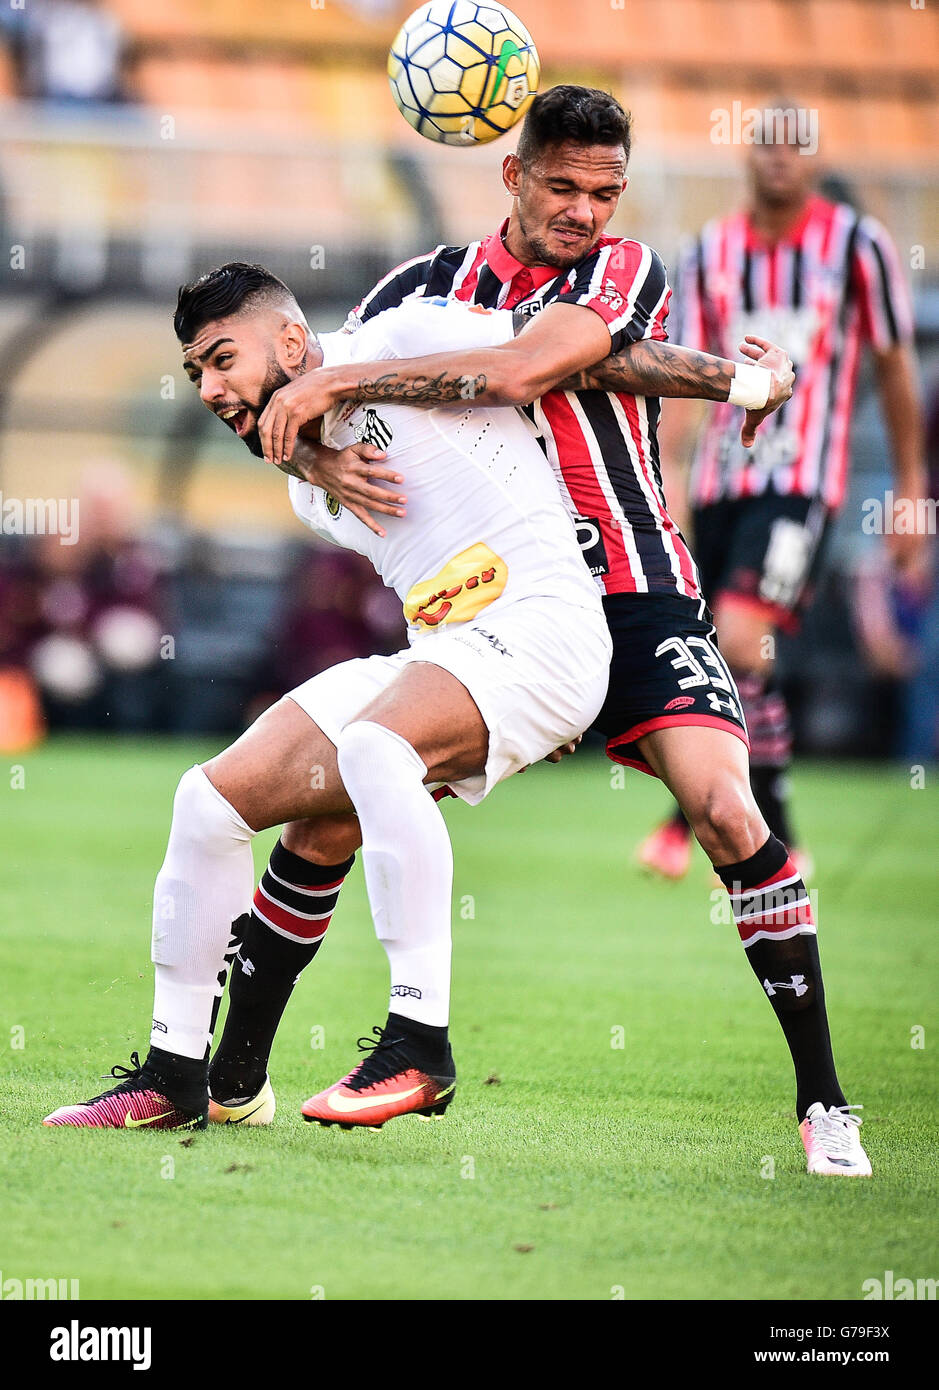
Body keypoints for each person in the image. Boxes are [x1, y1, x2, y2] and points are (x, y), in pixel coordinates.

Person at [237, 86, 871, 1175]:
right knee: (330, 811)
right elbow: (289, 397)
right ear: (512, 176)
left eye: (606, 192)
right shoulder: (424, 286)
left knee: (726, 806)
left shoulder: (620, 273)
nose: (586, 211)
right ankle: (228, 1075)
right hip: (490, 611)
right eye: (565, 187)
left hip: (631, 591)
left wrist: (346, 379)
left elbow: (527, 367)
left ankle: (826, 1105)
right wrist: (316, 453)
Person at [42, 262, 613, 1132]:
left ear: (294, 341)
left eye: (222, 359)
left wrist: (740, 379)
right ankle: (178, 1075)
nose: (207, 387)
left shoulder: (405, 336)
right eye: (195, 370)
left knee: (375, 747)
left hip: (548, 633)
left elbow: (565, 356)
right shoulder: (312, 488)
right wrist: (308, 452)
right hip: (455, 654)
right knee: (208, 802)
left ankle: (420, 1042)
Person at [635, 104, 926, 881]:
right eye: (765, 144)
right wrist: (663, 476)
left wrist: (909, 485)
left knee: (736, 638)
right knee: (737, 654)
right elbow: (683, 372)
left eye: (793, 147)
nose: (777, 159)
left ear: (812, 157)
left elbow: (894, 364)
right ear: (746, 156)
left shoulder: (855, 245)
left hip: (802, 484)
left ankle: (772, 833)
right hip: (719, 482)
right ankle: (703, 817)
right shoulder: (708, 253)